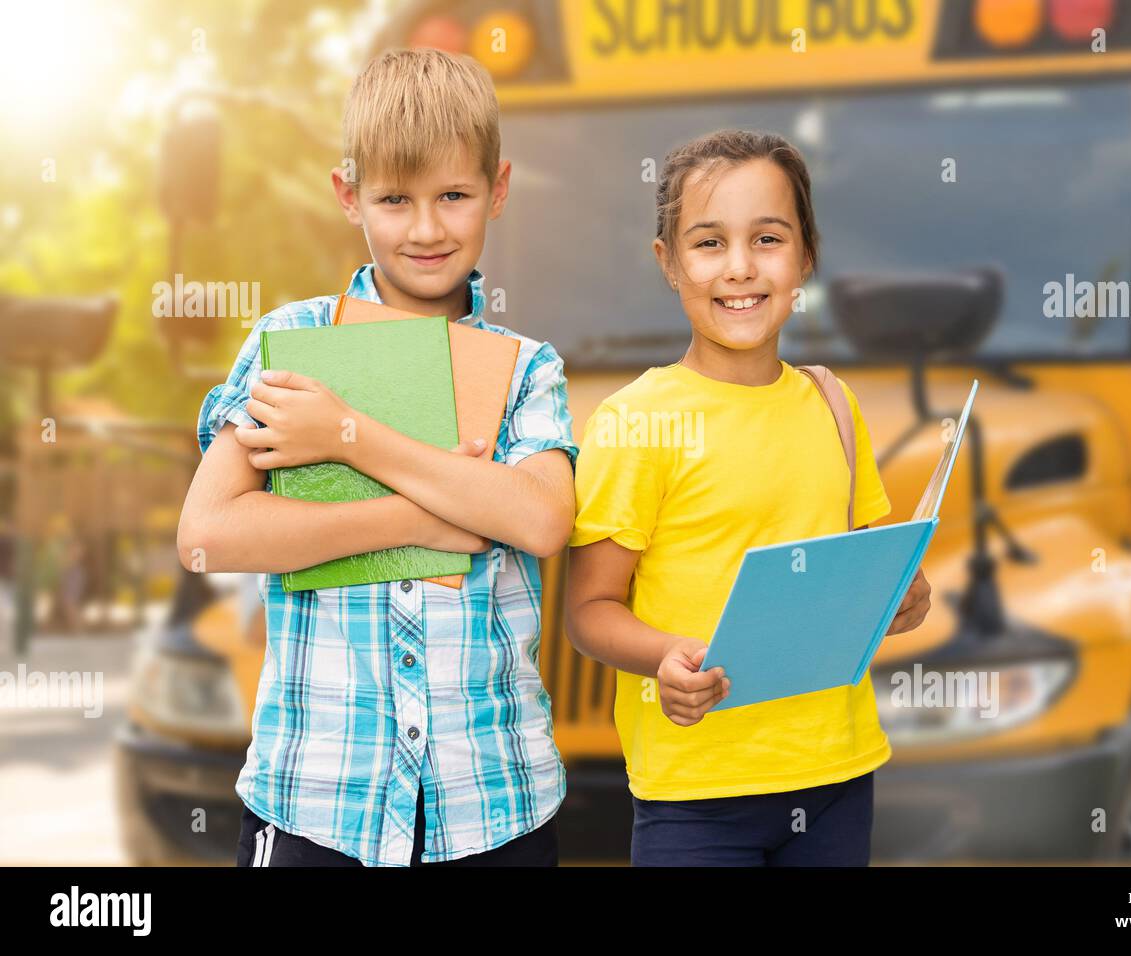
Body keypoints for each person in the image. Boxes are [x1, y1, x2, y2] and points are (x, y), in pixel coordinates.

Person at [177, 48, 578, 866]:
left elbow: (538, 519)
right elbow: (207, 535)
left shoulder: (528, 368)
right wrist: (428, 513)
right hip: (318, 801)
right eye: (394, 199)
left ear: (498, 190)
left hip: (494, 803)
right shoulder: (290, 346)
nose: (426, 229)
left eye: (454, 196)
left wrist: (346, 438)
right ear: (348, 193)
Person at [564, 129, 931, 866]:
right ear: (668, 263)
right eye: (709, 243)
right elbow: (589, 612)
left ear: (806, 258)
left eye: (768, 239)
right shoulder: (636, 422)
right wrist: (668, 656)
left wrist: (904, 596)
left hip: (834, 774)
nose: (740, 268)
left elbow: (868, 573)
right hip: (694, 793)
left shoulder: (832, 402)